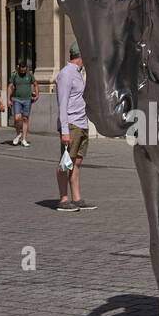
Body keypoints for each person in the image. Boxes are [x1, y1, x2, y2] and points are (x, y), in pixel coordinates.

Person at [55, 42, 95, 212]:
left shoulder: (79, 73)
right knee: (66, 162)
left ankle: (76, 198)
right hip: (71, 124)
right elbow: (62, 104)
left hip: (81, 122)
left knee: (77, 162)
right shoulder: (66, 74)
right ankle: (63, 199)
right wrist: (64, 131)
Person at [8, 59, 39, 146]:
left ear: (26, 68)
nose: (22, 70)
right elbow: (10, 87)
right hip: (16, 99)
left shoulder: (30, 75)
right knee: (17, 118)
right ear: (19, 67)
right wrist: (8, 99)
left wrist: (37, 94)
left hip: (27, 99)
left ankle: (24, 139)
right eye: (21, 69)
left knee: (25, 119)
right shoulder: (15, 75)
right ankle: (18, 134)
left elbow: (35, 84)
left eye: (24, 69)